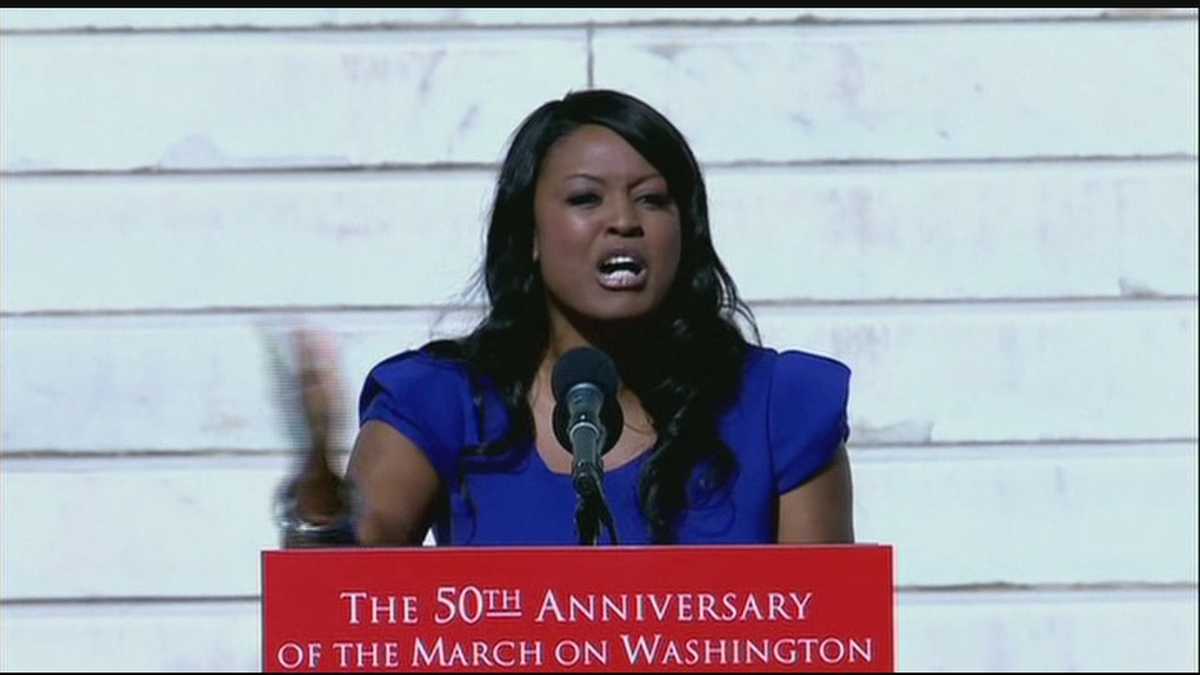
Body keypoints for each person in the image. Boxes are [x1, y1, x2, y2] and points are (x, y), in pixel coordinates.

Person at [277, 89, 854, 548]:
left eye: (653, 200)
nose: (624, 221)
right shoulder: (444, 401)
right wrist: (320, 489)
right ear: (528, 234)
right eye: (585, 199)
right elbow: (341, 612)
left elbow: (819, 631)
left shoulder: (783, 409)